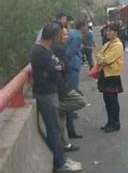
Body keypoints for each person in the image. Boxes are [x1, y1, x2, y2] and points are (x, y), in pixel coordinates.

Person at [31, 22, 82, 172]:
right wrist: (58, 68)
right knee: (53, 129)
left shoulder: (45, 50)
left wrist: (58, 67)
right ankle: (60, 163)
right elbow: (54, 72)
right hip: (46, 94)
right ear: (53, 37)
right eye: (60, 34)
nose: (62, 37)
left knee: (55, 127)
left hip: (50, 93)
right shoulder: (40, 52)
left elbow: (59, 66)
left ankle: (61, 160)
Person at [52, 26, 80, 152]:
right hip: (62, 84)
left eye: (67, 35)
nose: (66, 37)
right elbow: (62, 67)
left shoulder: (55, 48)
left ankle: (70, 134)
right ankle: (66, 141)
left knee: (65, 113)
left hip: (62, 83)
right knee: (67, 110)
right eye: (64, 35)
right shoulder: (59, 48)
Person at [96, 23, 124, 133]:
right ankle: (109, 121)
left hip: (112, 75)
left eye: (110, 31)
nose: (107, 33)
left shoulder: (117, 45)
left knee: (112, 100)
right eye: (107, 31)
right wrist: (100, 57)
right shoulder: (108, 43)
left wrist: (100, 57)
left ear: (116, 33)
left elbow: (107, 59)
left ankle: (115, 122)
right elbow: (98, 55)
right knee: (107, 100)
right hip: (105, 74)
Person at [64, 21, 86, 139]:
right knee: (73, 91)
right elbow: (69, 52)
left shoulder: (71, 33)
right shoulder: (77, 36)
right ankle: (71, 115)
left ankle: (71, 115)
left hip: (70, 67)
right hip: (72, 67)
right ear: (82, 26)